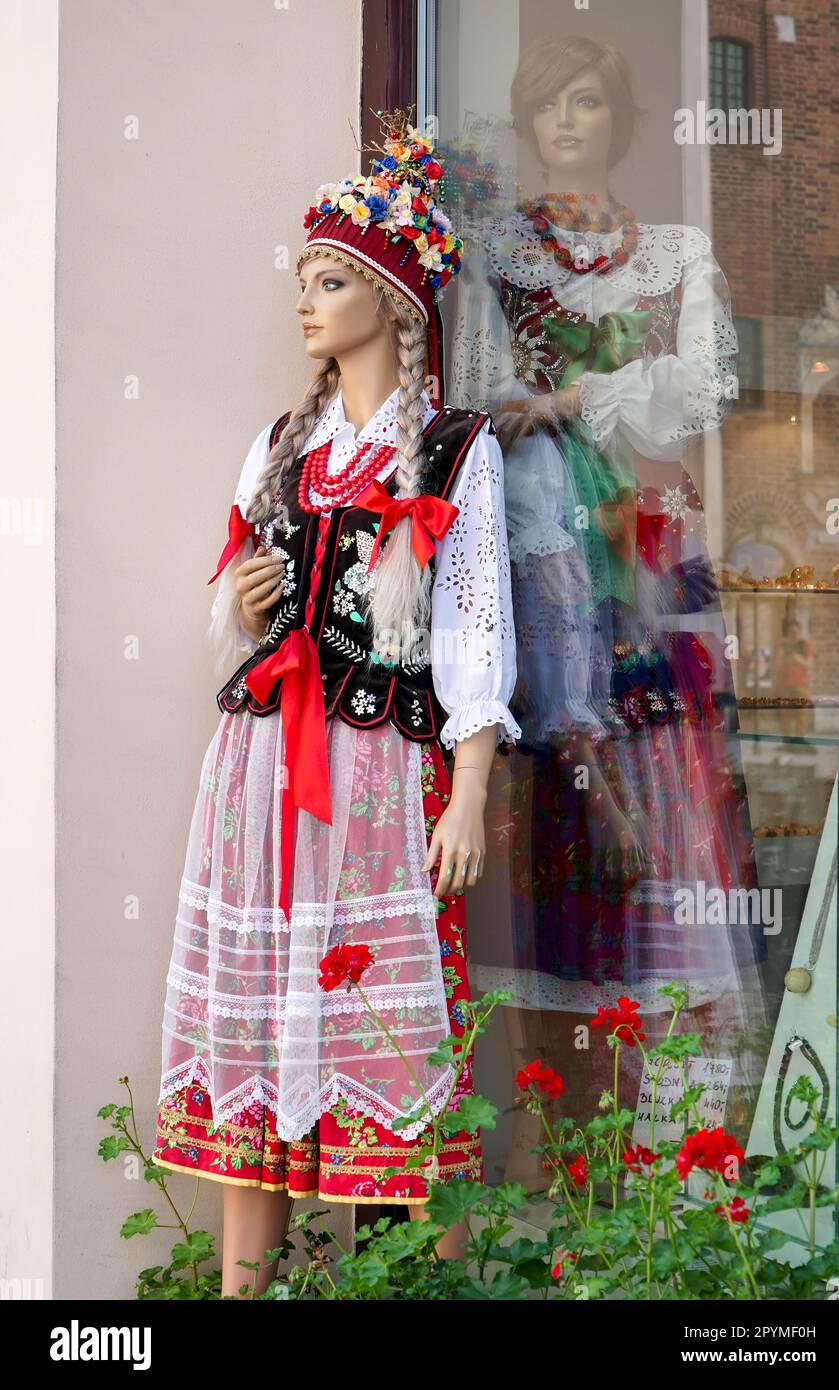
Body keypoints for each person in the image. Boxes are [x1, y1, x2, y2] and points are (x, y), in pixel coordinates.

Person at [150, 111, 521, 1294]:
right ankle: (239, 1292)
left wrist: (468, 792)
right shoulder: (278, 446)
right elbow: (238, 617)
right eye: (303, 280)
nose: (304, 304)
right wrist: (243, 598)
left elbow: (471, 633)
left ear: (392, 298)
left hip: (377, 777)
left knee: (393, 1036)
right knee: (258, 1024)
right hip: (259, 773)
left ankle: (424, 1287)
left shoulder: (456, 448)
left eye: (328, 280)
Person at [448, 36, 767, 1182]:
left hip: (646, 562)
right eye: (547, 105)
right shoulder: (492, 255)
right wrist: (532, 417)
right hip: (544, 583)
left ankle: (655, 1166)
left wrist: (582, 395)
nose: (566, 121)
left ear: (619, 119)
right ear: (526, 121)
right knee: (552, 830)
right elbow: (472, 402)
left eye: (587, 101)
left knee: (657, 810)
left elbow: (710, 387)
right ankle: (554, 1152)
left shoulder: (674, 254)